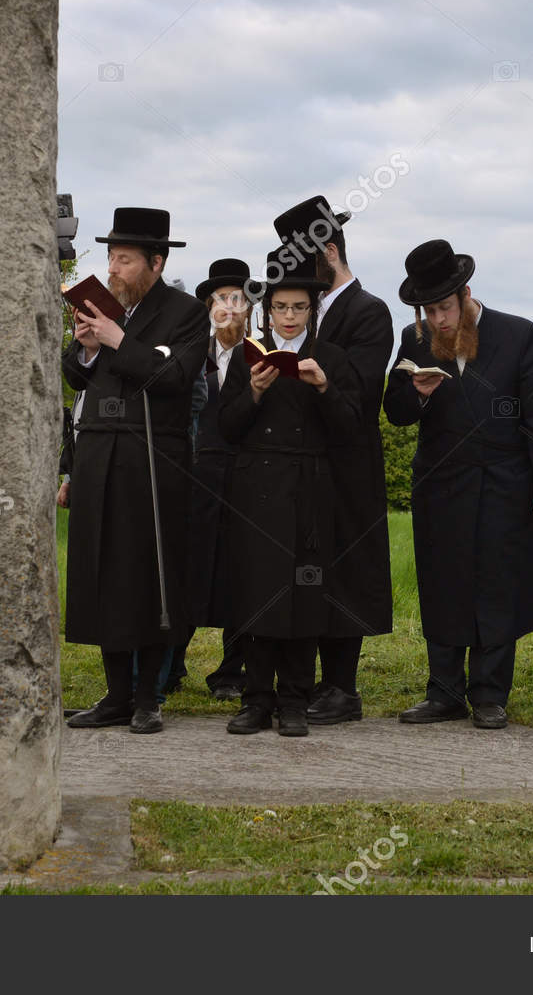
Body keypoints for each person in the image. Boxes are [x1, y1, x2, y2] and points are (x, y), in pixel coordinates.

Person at [382, 240, 533, 728]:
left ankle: (489, 694)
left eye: (444, 307)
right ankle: (443, 693)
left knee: (497, 587)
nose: (438, 320)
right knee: (443, 586)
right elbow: (394, 413)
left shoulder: (517, 333)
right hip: (441, 486)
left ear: (465, 293)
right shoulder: (414, 338)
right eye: (429, 310)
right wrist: (415, 395)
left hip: (505, 483)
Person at [62, 208, 208, 735]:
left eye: (124, 260)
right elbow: (76, 377)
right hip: (100, 454)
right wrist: (86, 344)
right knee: (104, 575)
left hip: (154, 460)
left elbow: (174, 375)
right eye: (110, 257)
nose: (113, 269)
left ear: (156, 261)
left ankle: (150, 696)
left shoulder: (187, 312)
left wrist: (118, 340)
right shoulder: (105, 308)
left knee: (150, 577)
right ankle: (116, 694)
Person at [217, 244, 361, 736]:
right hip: (257, 490)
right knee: (259, 593)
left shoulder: (333, 359)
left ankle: (295, 700)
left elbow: (351, 430)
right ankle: (256, 700)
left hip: (311, 492)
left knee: (304, 594)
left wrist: (324, 388)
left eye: (300, 307)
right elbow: (225, 427)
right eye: (281, 307)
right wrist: (254, 392)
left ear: (312, 310)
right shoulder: (245, 358)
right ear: (267, 312)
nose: (290, 316)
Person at [272, 196, 394, 724]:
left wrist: (316, 372)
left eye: (299, 254)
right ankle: (308, 680)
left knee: (346, 568)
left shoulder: (368, 312)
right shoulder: (302, 308)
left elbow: (363, 391)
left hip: (348, 462)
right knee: (309, 568)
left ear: (327, 249)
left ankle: (343, 686)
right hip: (301, 463)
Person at [185, 258, 260, 700]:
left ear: (248, 307)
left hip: (245, 475)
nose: (228, 308)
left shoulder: (262, 354)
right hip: (196, 473)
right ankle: (170, 665)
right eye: (220, 300)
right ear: (209, 308)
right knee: (189, 568)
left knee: (240, 572)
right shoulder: (191, 353)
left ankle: (233, 670)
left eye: (237, 299)